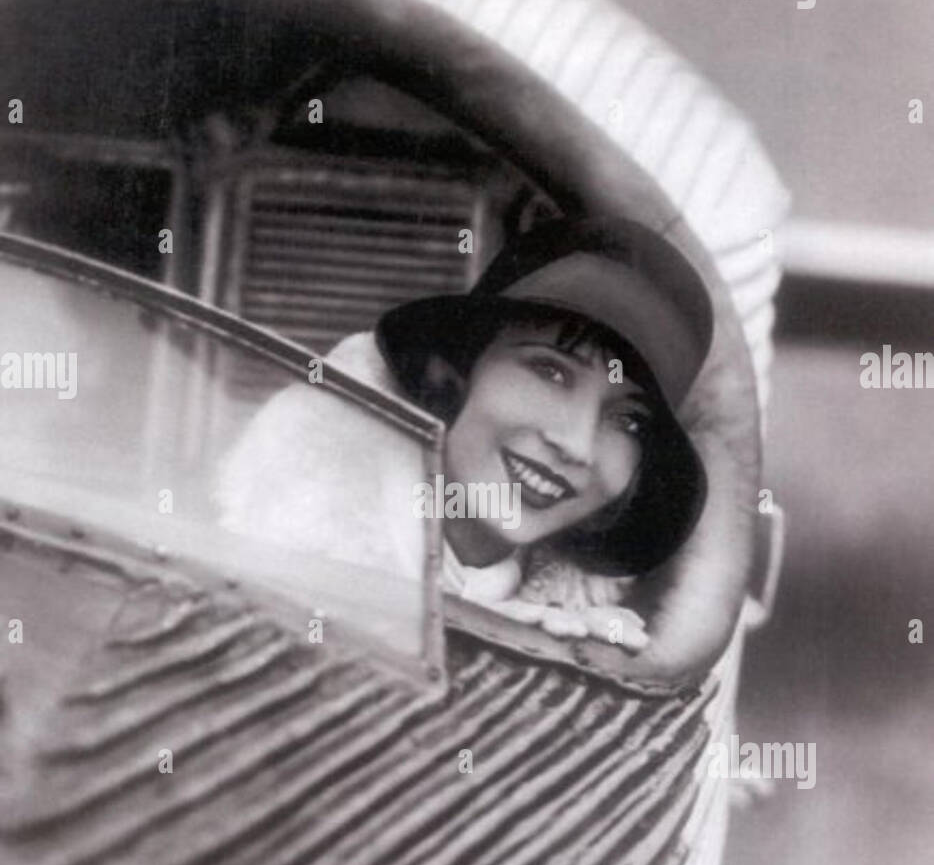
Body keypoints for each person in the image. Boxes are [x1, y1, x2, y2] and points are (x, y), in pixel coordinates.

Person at [216, 217, 713, 652]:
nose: (576, 445)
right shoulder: (278, 549)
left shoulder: (595, 631)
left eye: (628, 420)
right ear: (453, 371)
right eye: (551, 372)